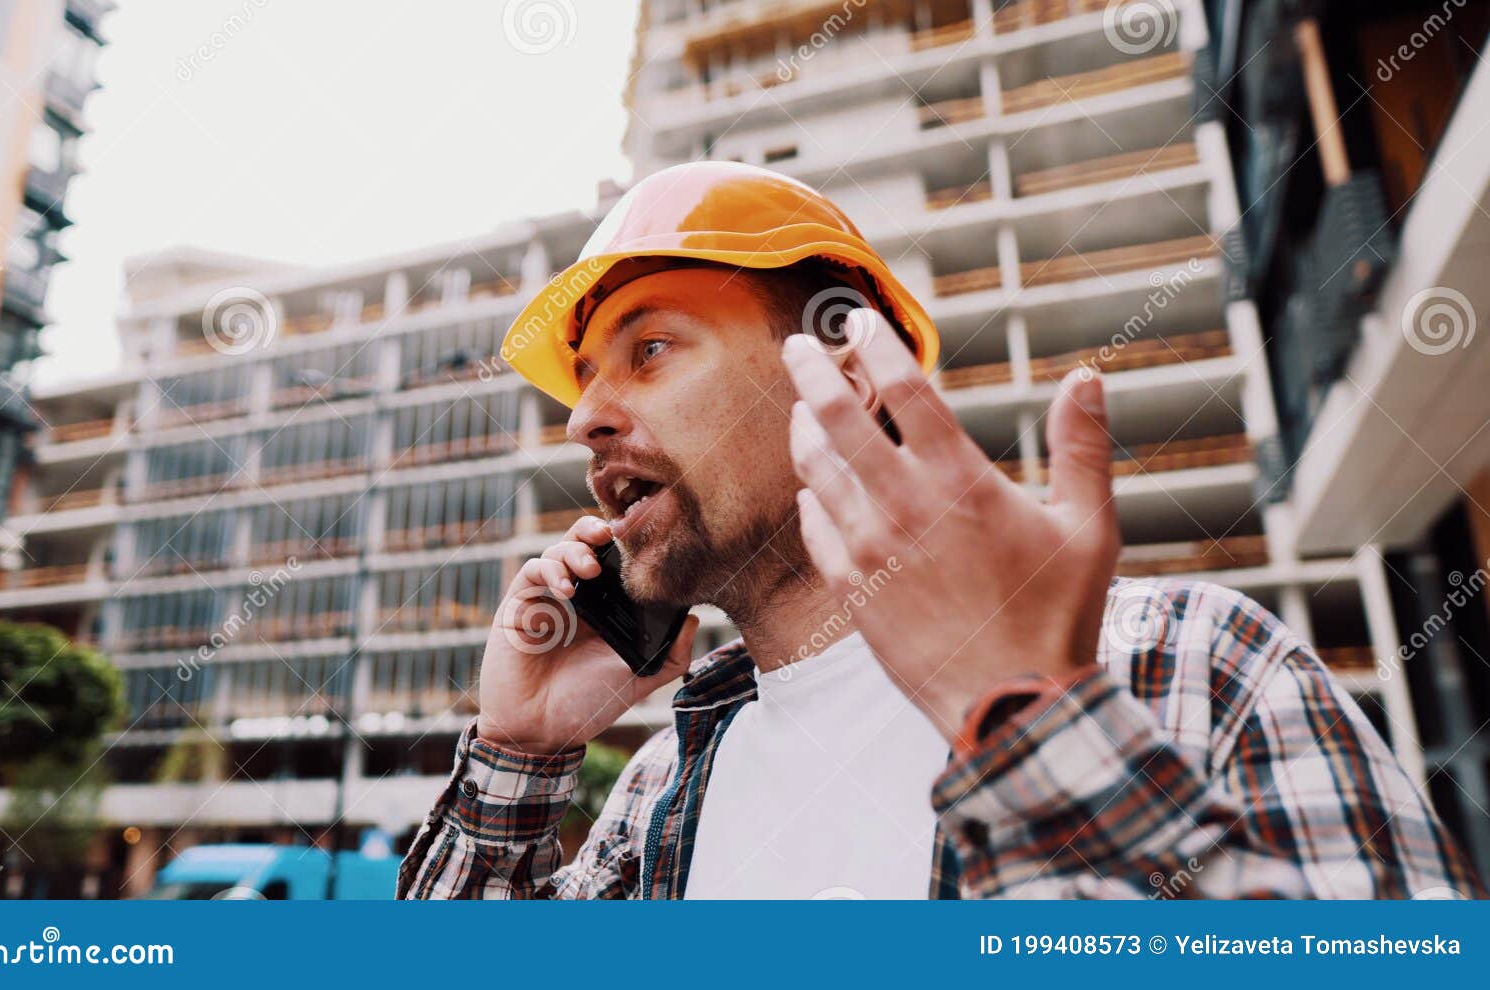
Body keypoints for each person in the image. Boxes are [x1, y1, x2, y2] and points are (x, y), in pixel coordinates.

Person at [397, 161, 1482, 899]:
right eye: (585, 379)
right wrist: (519, 752)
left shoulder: (1189, 666)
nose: (582, 418)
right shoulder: (655, 794)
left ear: (844, 375)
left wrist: (1032, 729)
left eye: (650, 351)